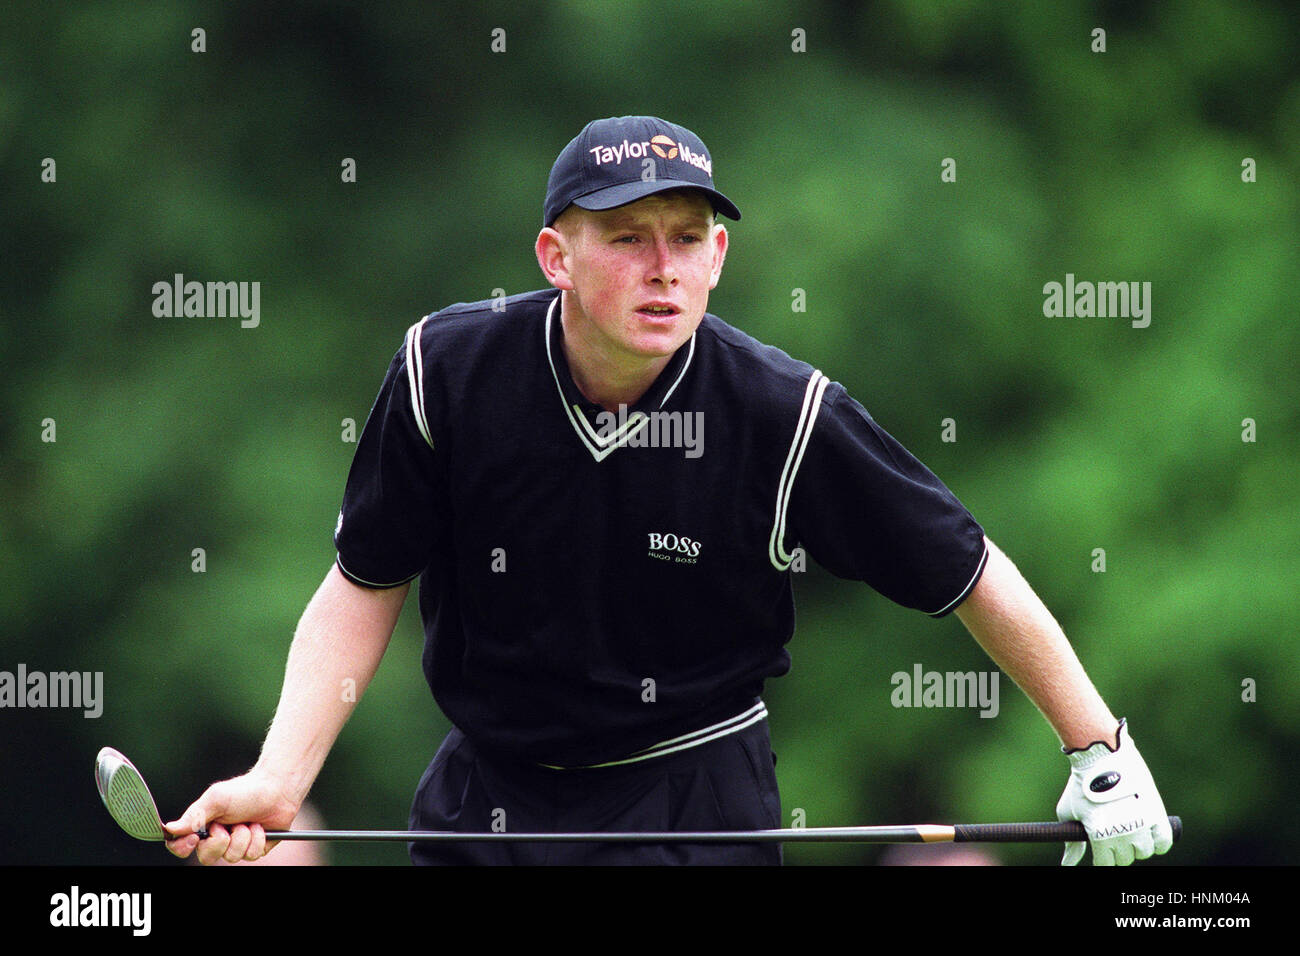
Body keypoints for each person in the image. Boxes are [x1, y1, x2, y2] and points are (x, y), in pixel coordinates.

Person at [164, 115, 1173, 867]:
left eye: (687, 238)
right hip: (489, 797)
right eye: (627, 236)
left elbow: (965, 568)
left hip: (695, 801)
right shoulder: (448, 369)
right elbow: (365, 579)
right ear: (555, 257)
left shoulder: (783, 411)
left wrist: (1101, 749)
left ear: (719, 256)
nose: (663, 268)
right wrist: (282, 777)